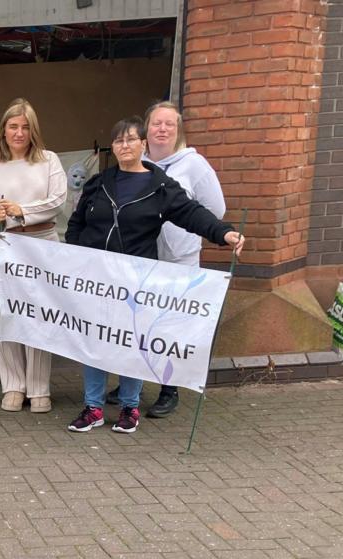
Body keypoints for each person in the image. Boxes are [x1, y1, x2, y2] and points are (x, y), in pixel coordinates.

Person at [65, 116, 244, 434]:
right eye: (119, 140)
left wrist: (223, 233)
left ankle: (129, 408)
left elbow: (192, 213)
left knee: (130, 342)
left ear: (143, 144)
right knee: (94, 340)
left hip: (136, 279)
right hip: (98, 279)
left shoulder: (159, 186)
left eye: (131, 139)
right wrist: (79, 253)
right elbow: (77, 222)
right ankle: (93, 408)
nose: (124, 146)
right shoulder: (100, 182)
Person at [105, 101, 227, 418]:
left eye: (169, 124)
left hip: (178, 260)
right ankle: (129, 383)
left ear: (178, 130)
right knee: (136, 323)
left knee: (169, 326)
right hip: (142, 257)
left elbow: (215, 209)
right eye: (156, 123)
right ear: (146, 130)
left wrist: (185, 234)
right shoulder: (137, 163)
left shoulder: (194, 165)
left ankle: (168, 388)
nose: (162, 129)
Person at [0, 98, 67, 414]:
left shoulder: (49, 161)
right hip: (4, 246)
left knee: (39, 315)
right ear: (4, 130)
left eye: (25, 127)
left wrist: (21, 211)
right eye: (13, 126)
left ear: (34, 130)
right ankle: (13, 384)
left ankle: (40, 386)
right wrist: (0, 220)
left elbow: (57, 202)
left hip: (41, 245)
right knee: (6, 314)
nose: (19, 132)